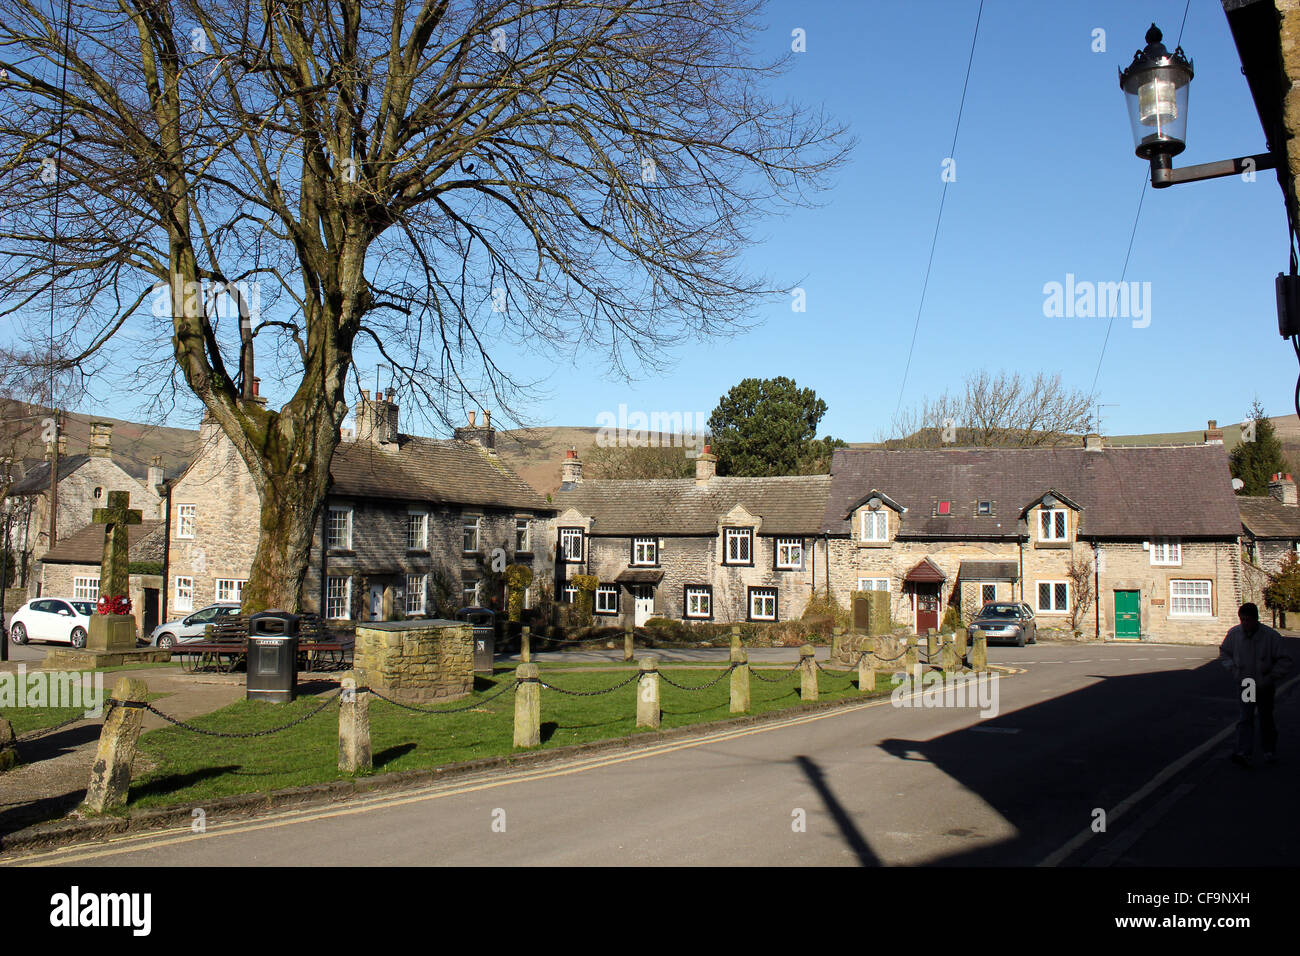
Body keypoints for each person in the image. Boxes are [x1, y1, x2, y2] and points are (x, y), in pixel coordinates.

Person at [1219, 603, 1292, 766]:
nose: (1245, 623)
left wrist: (1272, 676)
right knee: (1246, 718)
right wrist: (1233, 668)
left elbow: (1285, 660)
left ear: (1256, 619)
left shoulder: (1270, 636)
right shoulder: (1235, 634)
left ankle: (1269, 751)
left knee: (1266, 718)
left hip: (1265, 684)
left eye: (1248, 620)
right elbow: (1224, 652)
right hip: (1247, 684)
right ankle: (1244, 752)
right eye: (1242, 619)